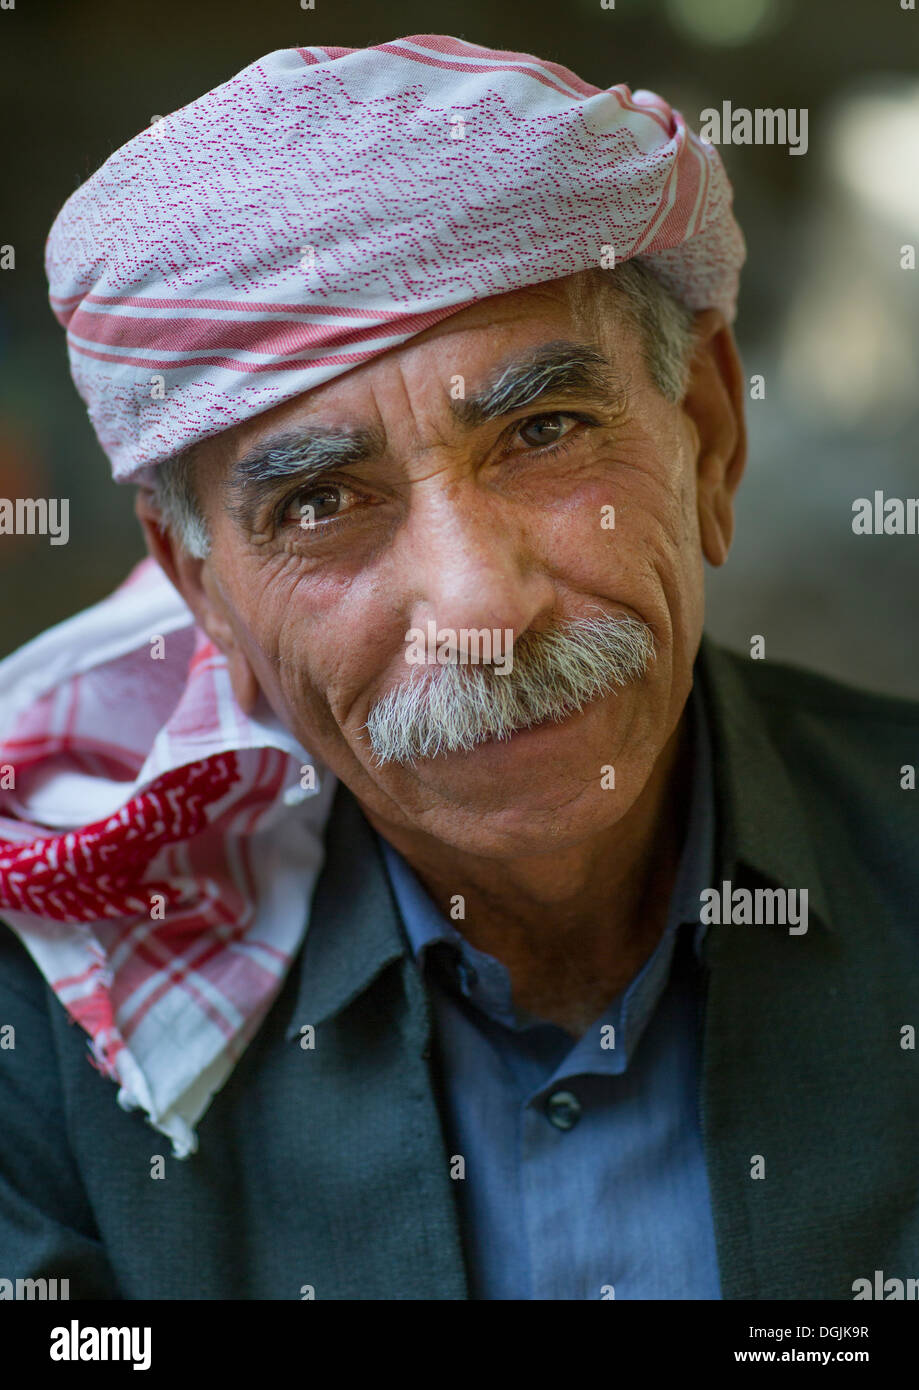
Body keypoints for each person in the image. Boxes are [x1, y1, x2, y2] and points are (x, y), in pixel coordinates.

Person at [0, 36, 916, 1301]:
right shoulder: (43, 1005)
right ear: (205, 586)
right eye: (321, 502)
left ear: (706, 433)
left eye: (544, 432)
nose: (481, 607)